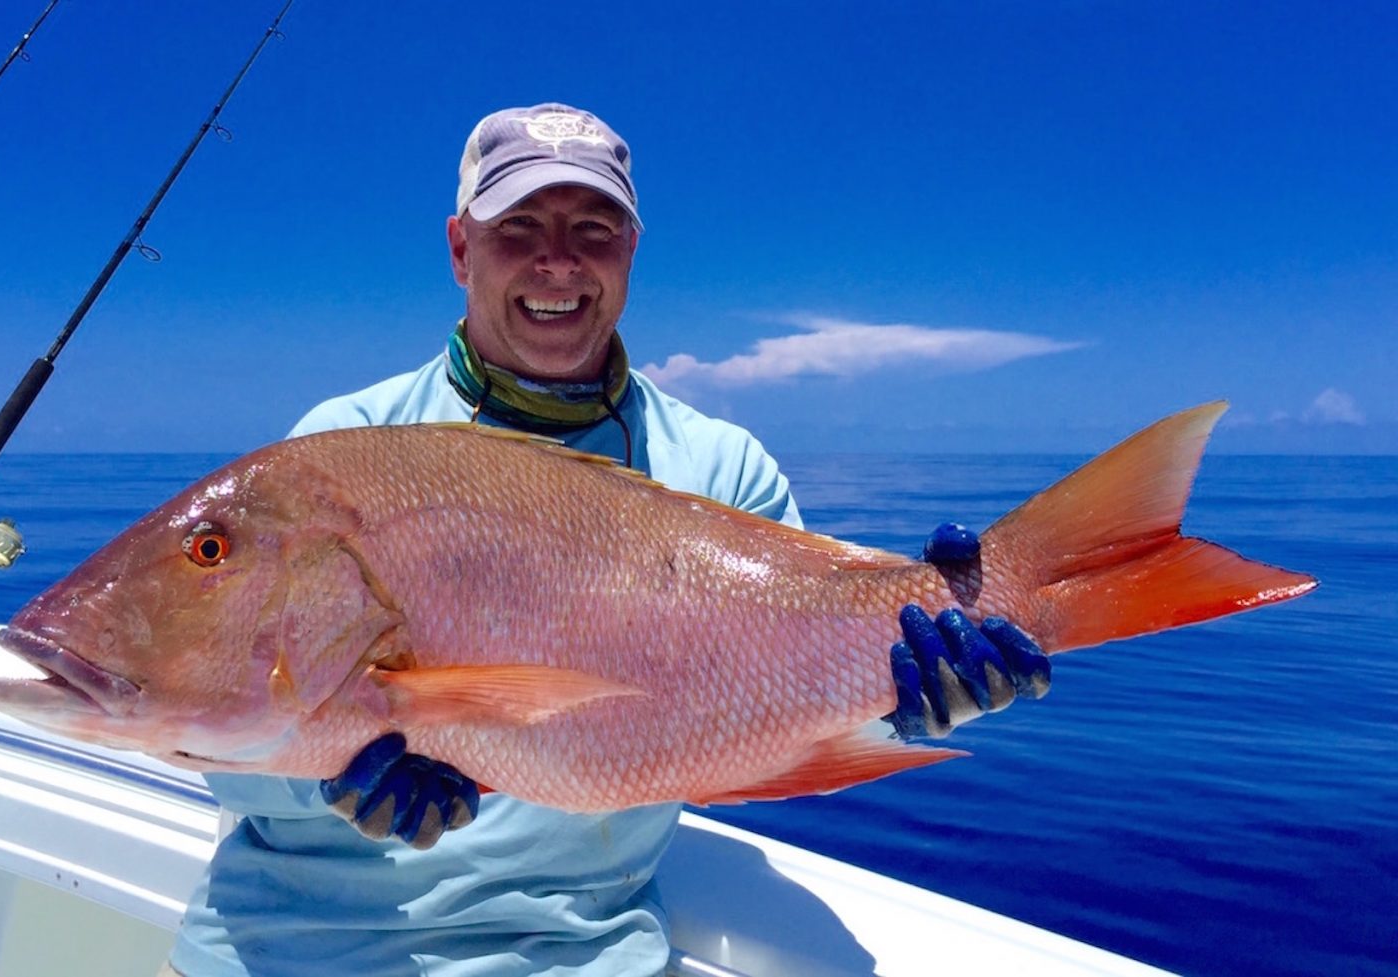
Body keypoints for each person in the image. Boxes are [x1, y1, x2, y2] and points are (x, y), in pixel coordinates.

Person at [165, 103, 1050, 977]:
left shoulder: (721, 469)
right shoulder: (343, 452)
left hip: (583, 957)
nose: (558, 259)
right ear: (461, 250)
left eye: (594, 227)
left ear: (630, 253)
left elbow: (773, 713)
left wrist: (908, 697)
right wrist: (323, 786)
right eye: (519, 225)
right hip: (289, 951)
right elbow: (214, 739)